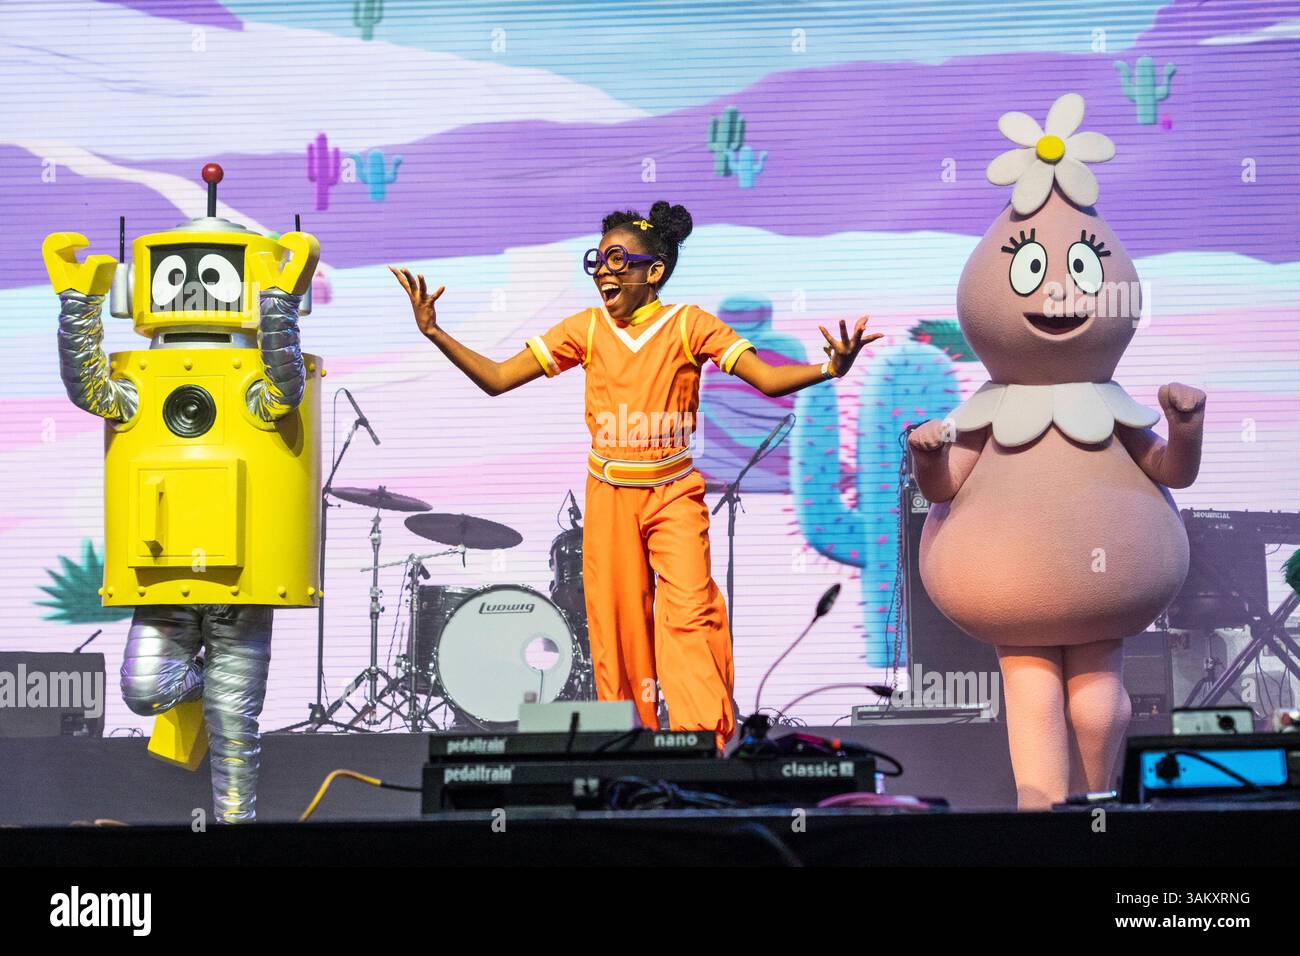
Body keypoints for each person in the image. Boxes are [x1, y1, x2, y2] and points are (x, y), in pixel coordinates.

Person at [392, 201, 878, 748]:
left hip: (673, 494)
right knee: (618, 628)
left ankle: (704, 743)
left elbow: (766, 379)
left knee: (691, 615)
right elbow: (500, 378)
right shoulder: (587, 329)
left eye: (617, 260)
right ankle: (629, 746)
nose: (604, 271)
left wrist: (829, 369)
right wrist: (436, 333)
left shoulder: (689, 324)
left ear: (654, 271)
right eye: (596, 262)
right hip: (610, 496)